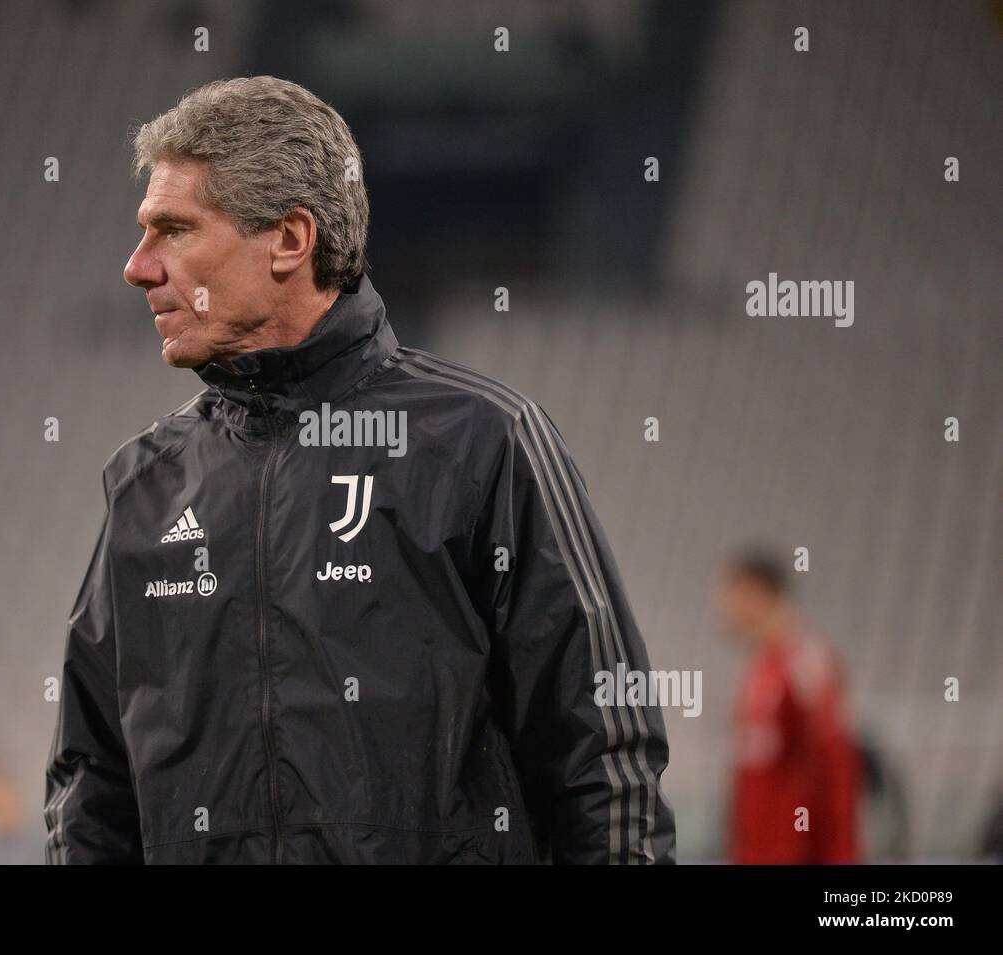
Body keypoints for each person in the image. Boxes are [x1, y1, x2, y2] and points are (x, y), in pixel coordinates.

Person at [44, 76, 675, 864]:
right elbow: (91, 789)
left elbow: (603, 756)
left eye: (173, 229)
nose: (138, 267)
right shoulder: (145, 484)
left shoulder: (484, 442)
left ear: (290, 239)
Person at [718, 549, 863, 864]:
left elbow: (835, 771)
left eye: (732, 595)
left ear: (758, 593)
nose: (724, 608)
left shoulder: (806, 665)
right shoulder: (760, 670)